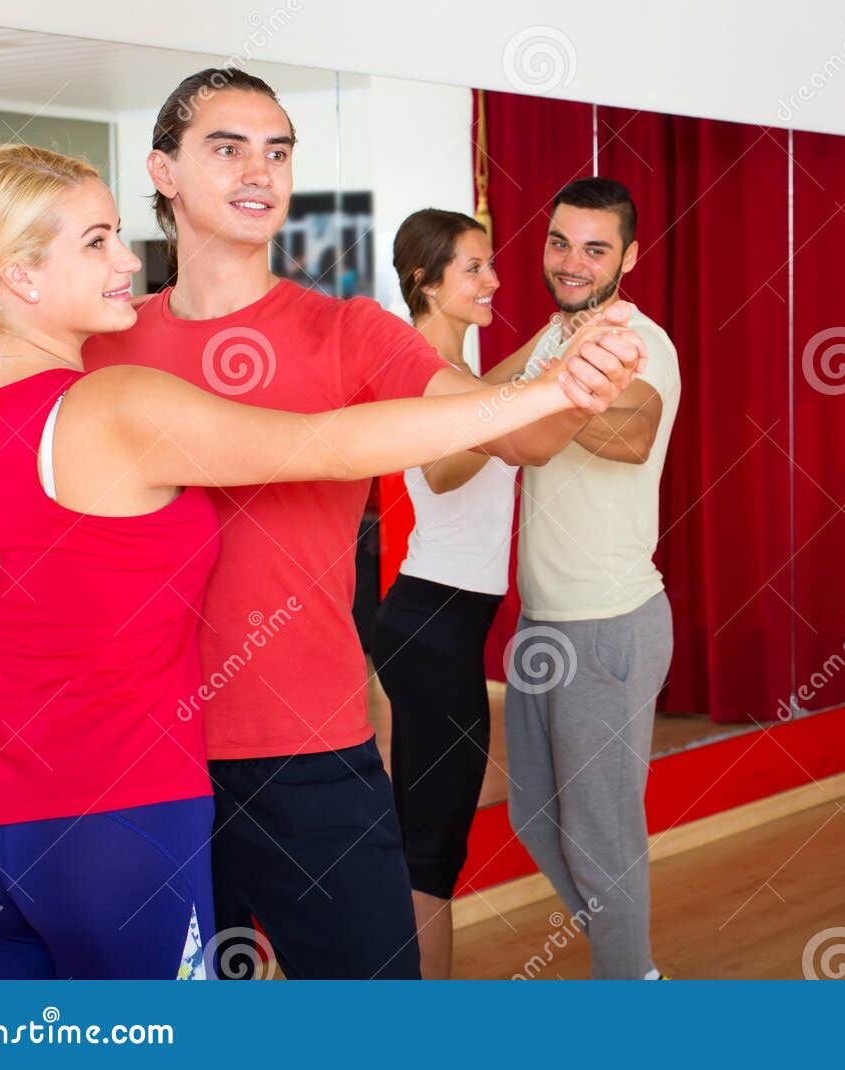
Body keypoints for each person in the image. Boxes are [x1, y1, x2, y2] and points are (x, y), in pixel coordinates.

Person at [0, 69, 648, 982]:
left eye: (279, 152)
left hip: (303, 753)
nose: (260, 172)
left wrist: (564, 390)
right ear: (163, 172)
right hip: (145, 773)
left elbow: (515, 438)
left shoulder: (351, 332)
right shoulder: (94, 336)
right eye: (228, 148)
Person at [481, 177, 680, 980]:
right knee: (535, 817)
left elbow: (633, 436)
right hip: (544, 622)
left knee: (603, 840)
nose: (572, 261)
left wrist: (546, 394)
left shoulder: (637, 339)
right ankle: (631, 966)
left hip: (608, 623)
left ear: (627, 258)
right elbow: (476, 402)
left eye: (595, 249)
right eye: (560, 242)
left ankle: (630, 986)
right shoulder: (555, 340)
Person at [370, 208, 516, 978]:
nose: (493, 280)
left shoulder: (458, 375)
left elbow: (488, 398)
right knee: (434, 846)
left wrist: (540, 363)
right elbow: (442, 467)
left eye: (490, 264)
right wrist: (529, 403)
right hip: (433, 628)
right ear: (427, 282)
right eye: (474, 267)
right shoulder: (425, 370)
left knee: (425, 837)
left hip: (437, 622)